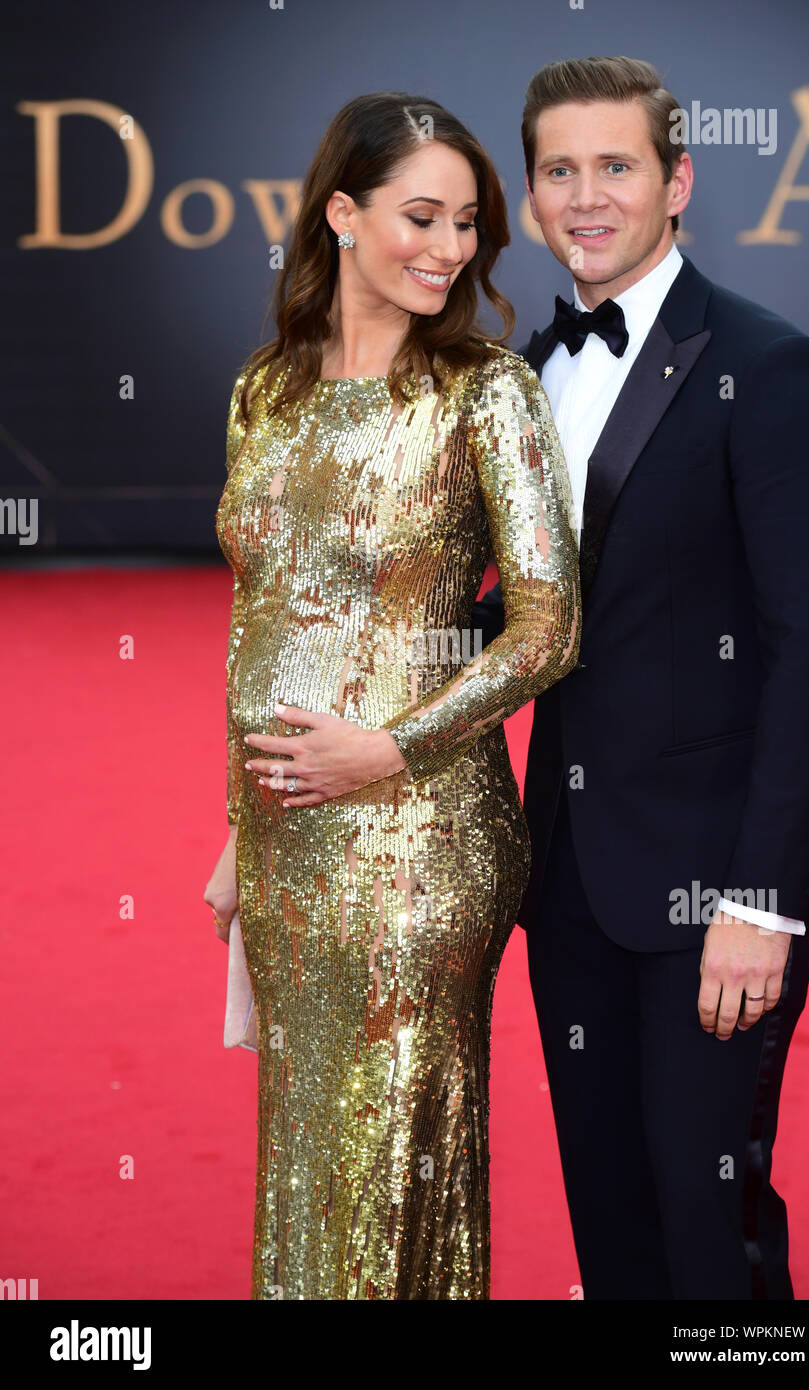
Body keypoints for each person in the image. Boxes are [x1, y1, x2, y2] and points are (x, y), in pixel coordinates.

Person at [473, 55, 809, 1300]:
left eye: (617, 166)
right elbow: (523, 620)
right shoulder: (527, 376)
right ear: (530, 195)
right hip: (572, 881)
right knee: (615, 1228)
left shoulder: (775, 366)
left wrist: (762, 899)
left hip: (715, 895)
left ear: (678, 181)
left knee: (711, 1238)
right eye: (559, 171)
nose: (587, 197)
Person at [204, 91, 581, 1300]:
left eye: (468, 224)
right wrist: (236, 828)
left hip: (424, 842)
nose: (451, 248)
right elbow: (264, 619)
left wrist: (391, 749)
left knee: (389, 1160)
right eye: (423, 215)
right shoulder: (264, 390)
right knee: (310, 1152)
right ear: (342, 214)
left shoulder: (485, 391)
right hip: (287, 839)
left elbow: (548, 625)